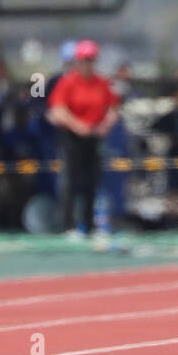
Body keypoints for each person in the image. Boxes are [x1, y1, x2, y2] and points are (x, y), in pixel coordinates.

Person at [46, 39, 119, 238]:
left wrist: (104, 126)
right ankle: (67, 225)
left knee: (92, 180)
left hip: (94, 137)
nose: (88, 63)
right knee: (70, 180)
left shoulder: (101, 83)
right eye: (84, 59)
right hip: (72, 138)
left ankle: (90, 224)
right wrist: (78, 126)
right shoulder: (67, 82)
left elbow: (112, 108)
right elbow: (57, 110)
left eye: (91, 59)